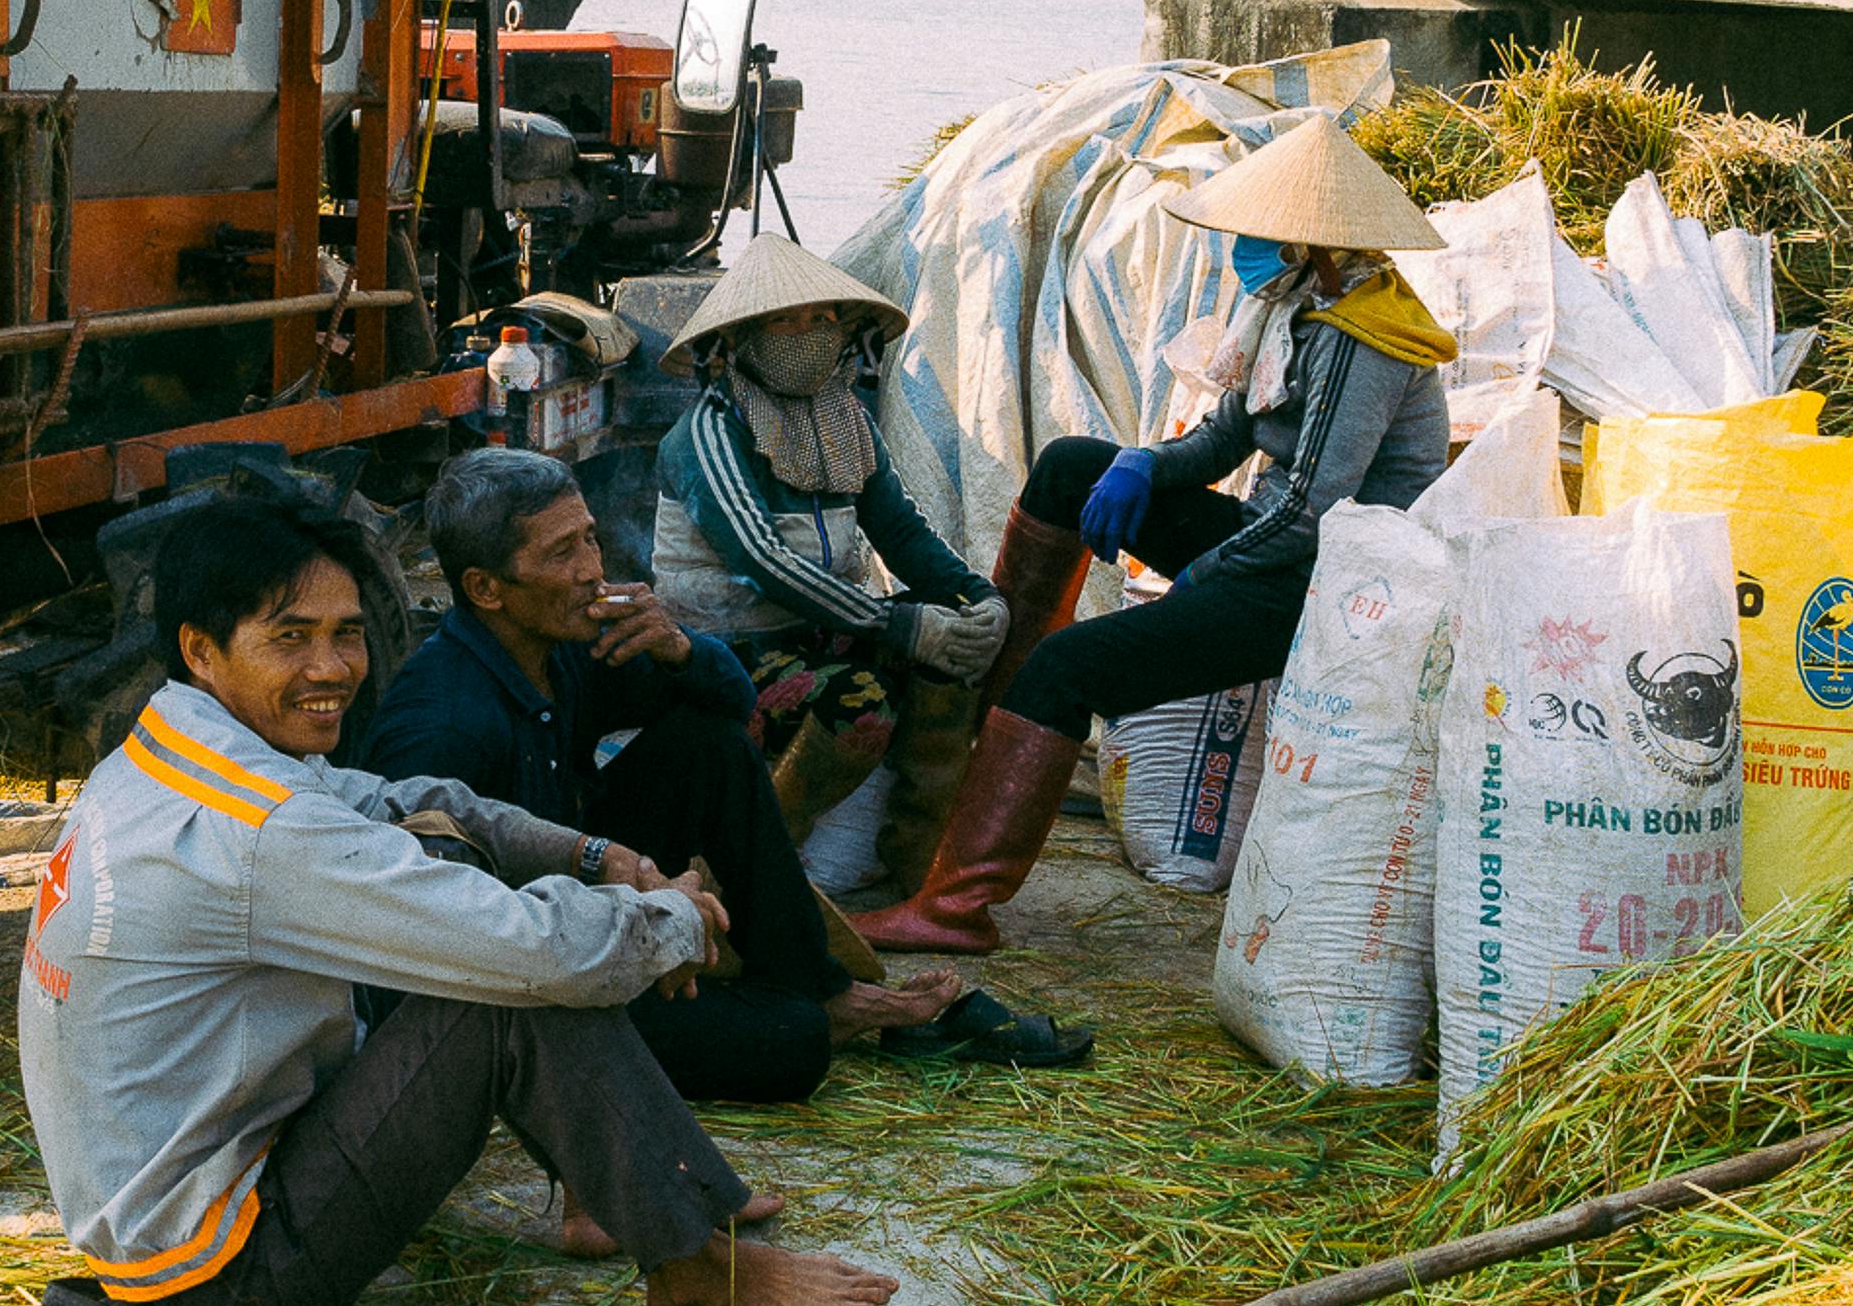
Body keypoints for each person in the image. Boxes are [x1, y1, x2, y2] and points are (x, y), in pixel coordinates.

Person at [14, 499, 899, 1306]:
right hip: (222, 1277)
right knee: (505, 986)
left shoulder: (174, 746)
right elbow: (535, 951)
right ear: (201, 650)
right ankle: (699, 1276)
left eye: (347, 632)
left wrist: (599, 859)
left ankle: (643, 1199)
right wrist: (666, 918)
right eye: (290, 637)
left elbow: (412, 799)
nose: (332, 667)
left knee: (471, 884)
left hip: (159, 1213)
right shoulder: (260, 831)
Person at [845, 118, 1454, 958]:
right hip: (1273, 545)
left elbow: (1313, 510)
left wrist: (1207, 569)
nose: (1246, 245)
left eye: (1262, 232)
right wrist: (1140, 463)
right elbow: (1221, 443)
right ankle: (977, 737)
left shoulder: (1363, 339)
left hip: (1322, 585)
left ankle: (955, 908)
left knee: (1070, 665)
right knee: (1070, 467)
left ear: (1310, 242)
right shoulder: (1290, 310)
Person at [364, 448, 975, 1109]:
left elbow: (733, 711)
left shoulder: (571, 642)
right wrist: (632, 919)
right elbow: (434, 926)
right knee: (794, 1043)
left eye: (590, 538)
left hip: (582, 883)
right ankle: (800, 1011)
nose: (592, 570)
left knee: (708, 747)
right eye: (561, 553)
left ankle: (822, 984)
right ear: (486, 588)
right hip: (515, 970)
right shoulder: (442, 720)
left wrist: (679, 647)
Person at [648, 236, 1004, 885]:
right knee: (858, 700)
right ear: (744, 337)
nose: (807, 333)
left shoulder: (847, 422)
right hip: (718, 647)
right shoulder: (710, 430)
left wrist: (977, 599)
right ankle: (752, 874)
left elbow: (902, 532)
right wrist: (901, 624)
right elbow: (762, 559)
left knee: (951, 660)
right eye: (785, 319)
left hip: (819, 630)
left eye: (822, 318)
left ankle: (914, 872)